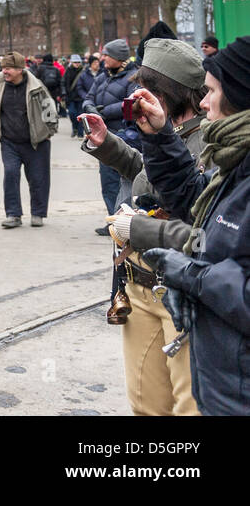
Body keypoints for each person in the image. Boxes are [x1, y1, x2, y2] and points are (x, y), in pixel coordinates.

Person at [119, 35, 250, 415]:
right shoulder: (235, 157)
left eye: (210, 92)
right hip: (224, 374)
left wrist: (192, 276)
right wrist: (159, 137)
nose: (203, 101)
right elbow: (195, 203)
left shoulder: (221, 150)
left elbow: (203, 237)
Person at [80, 38, 206, 414]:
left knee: (190, 407)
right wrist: (107, 145)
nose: (139, 95)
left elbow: (201, 220)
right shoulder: (163, 128)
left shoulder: (209, 137)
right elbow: (147, 175)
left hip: (182, 290)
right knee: (146, 404)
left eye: (149, 87)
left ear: (174, 92)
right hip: (140, 284)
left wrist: (136, 229)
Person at [0, 51, 59, 228]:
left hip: (36, 141)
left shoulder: (36, 87)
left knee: (38, 178)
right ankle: (13, 214)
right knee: (10, 174)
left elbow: (49, 109)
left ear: (20, 69)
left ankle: (37, 213)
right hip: (9, 140)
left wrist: (50, 130)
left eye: (9, 68)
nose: (5, 71)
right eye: (3, 67)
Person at [84, 39, 140, 234]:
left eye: (107, 55)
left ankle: (124, 224)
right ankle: (112, 221)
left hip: (126, 138)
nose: (103, 58)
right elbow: (88, 98)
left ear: (119, 57)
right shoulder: (102, 77)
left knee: (124, 184)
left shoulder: (133, 78)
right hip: (104, 140)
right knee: (107, 182)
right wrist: (91, 109)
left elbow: (131, 106)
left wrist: (104, 112)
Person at [64, 54, 85, 137]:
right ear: (72, 62)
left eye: (78, 62)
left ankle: (80, 133)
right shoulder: (68, 71)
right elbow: (63, 83)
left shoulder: (83, 71)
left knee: (81, 115)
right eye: (75, 62)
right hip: (71, 96)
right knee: (72, 114)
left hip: (81, 97)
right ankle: (74, 128)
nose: (77, 64)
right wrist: (63, 94)